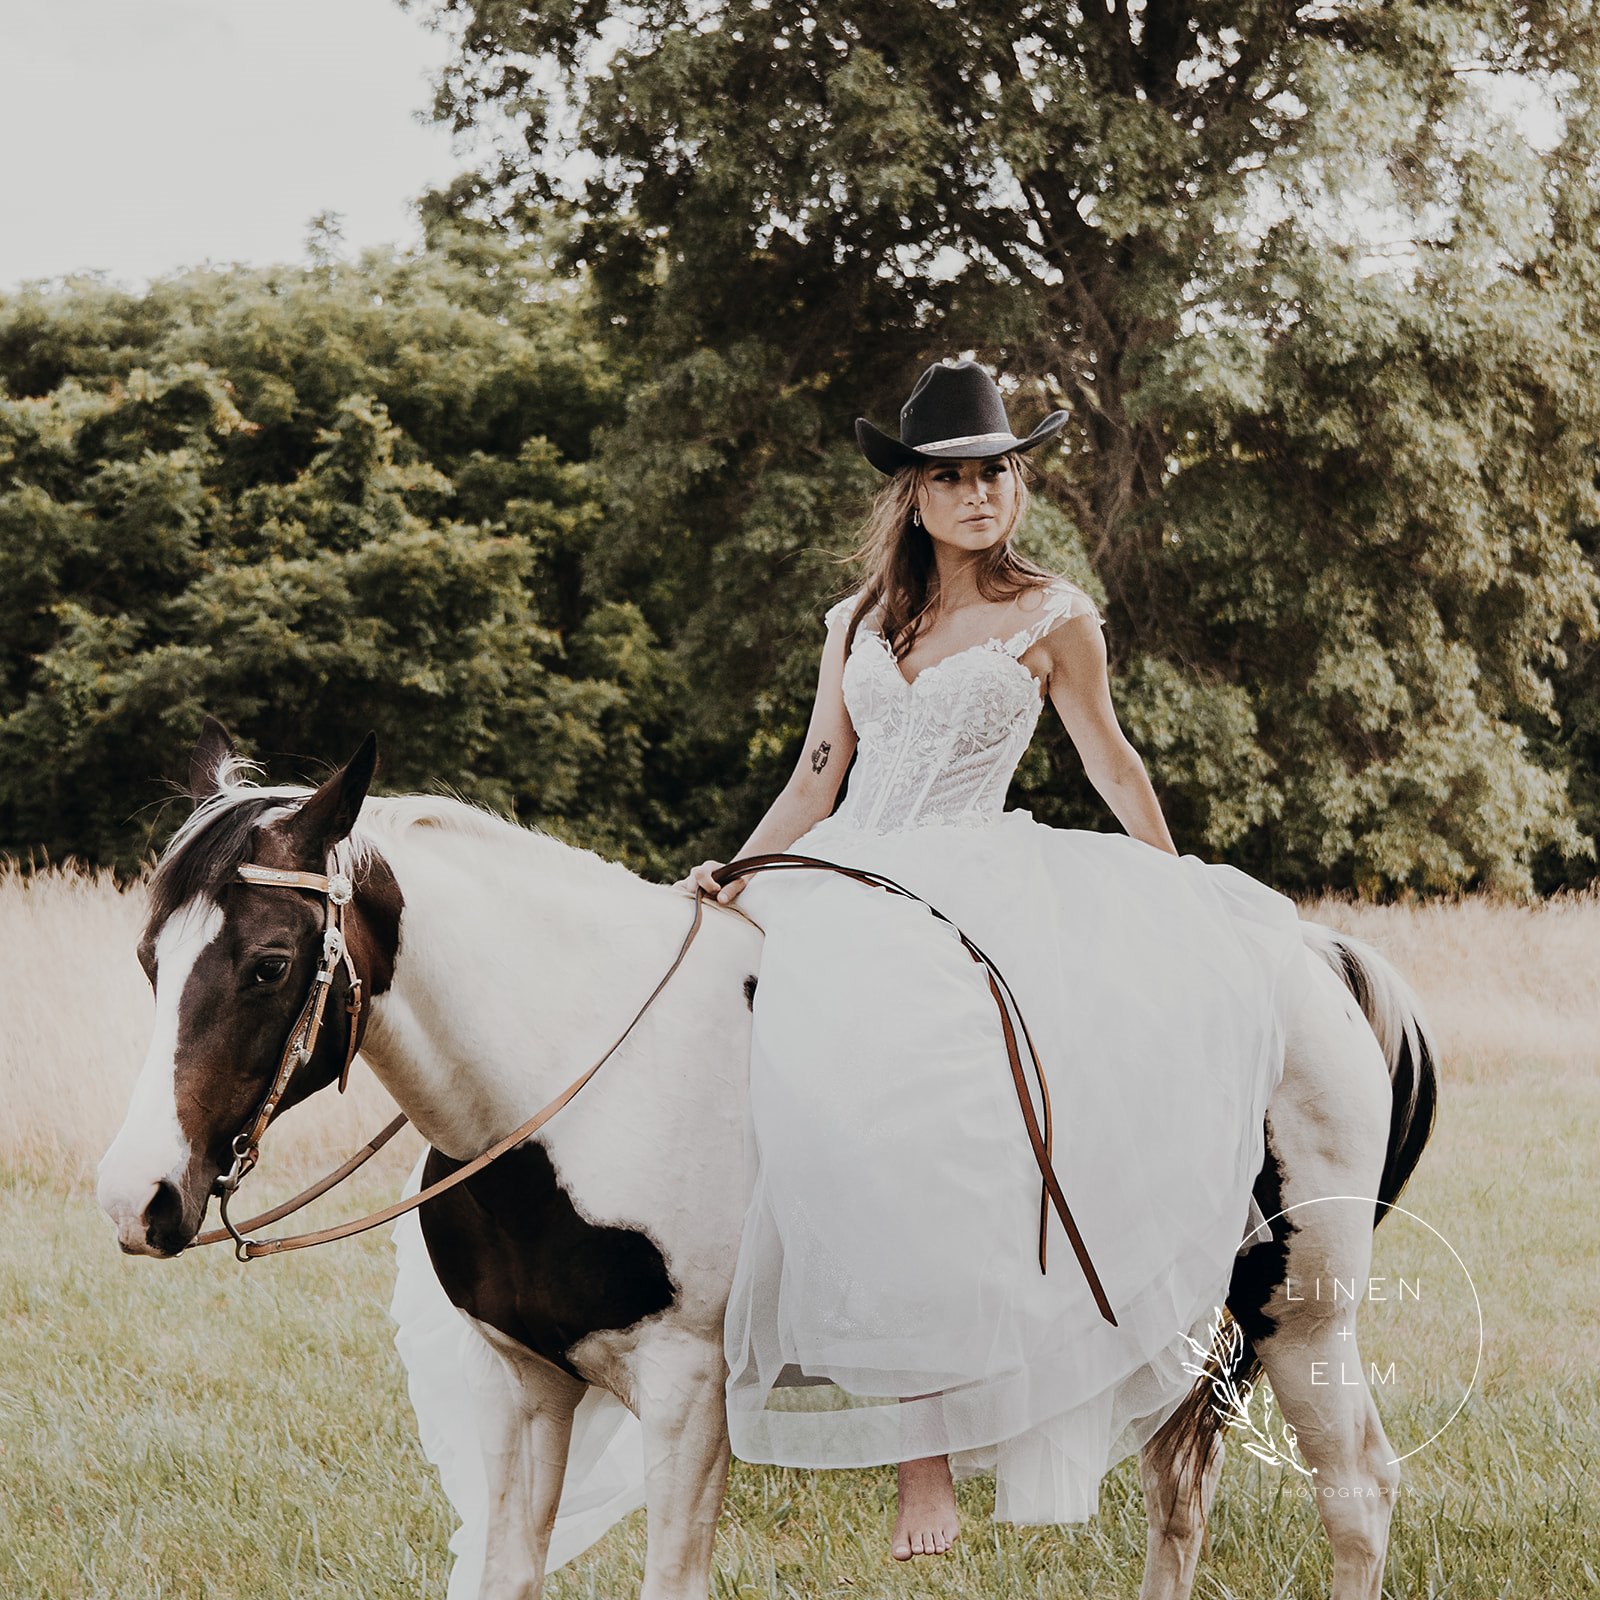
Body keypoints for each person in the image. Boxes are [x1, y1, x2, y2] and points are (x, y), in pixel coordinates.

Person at [672, 357, 1309, 1559]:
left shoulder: (1053, 615)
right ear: (912, 495)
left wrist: (1177, 892)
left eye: (998, 474)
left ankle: (929, 1458)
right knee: (718, 1025)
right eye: (953, 477)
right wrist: (738, 870)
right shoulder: (856, 622)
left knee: (930, 1092)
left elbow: (1111, 764)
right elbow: (818, 776)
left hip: (972, 875)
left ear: (1019, 485)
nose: (979, 496)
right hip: (846, 865)